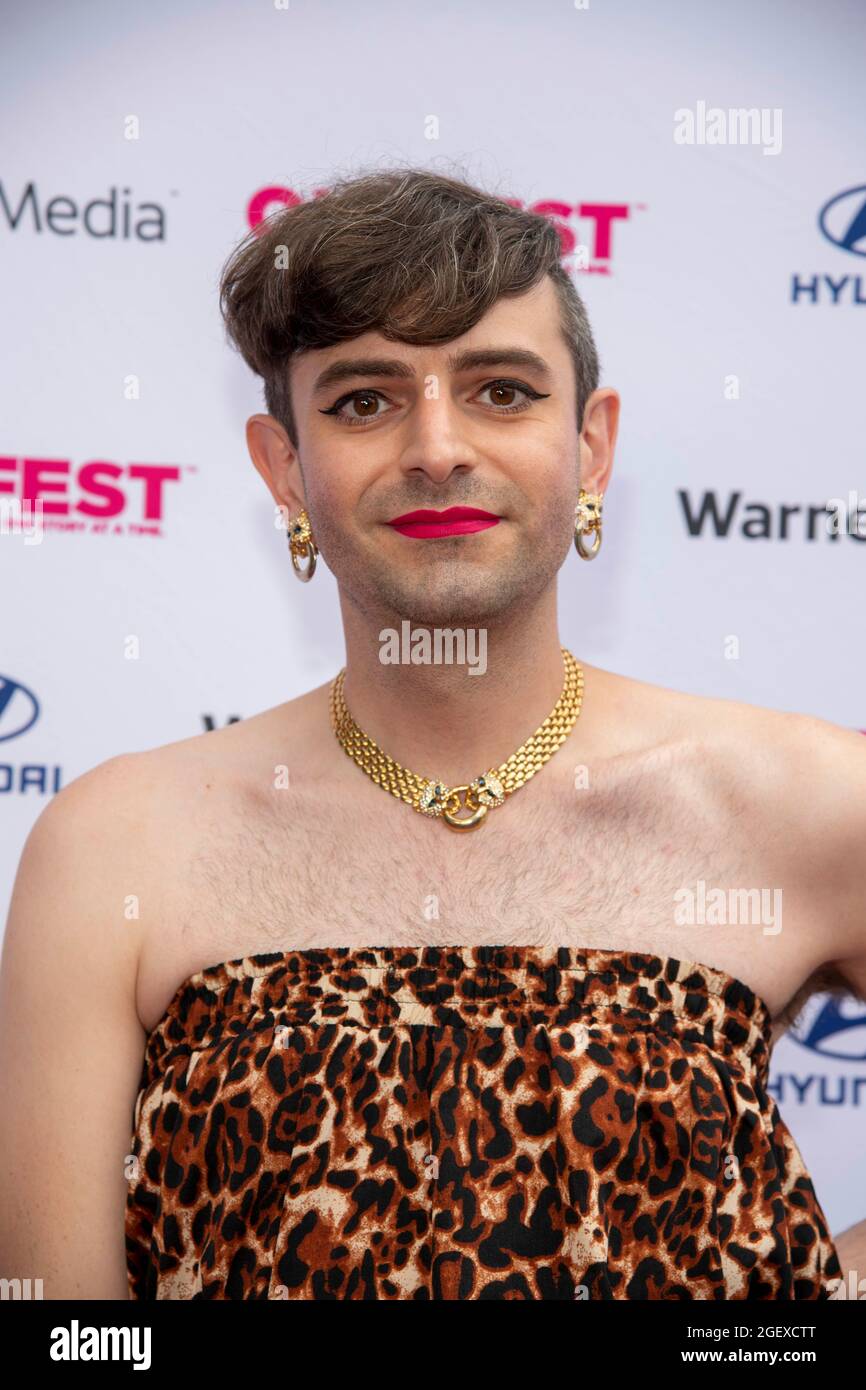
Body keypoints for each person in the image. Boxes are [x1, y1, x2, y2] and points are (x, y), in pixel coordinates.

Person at [1, 166, 863, 1301]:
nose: (437, 448)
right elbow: (58, 1325)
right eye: (363, 399)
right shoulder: (117, 845)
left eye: (500, 390)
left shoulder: (802, 800)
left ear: (591, 447)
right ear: (284, 470)